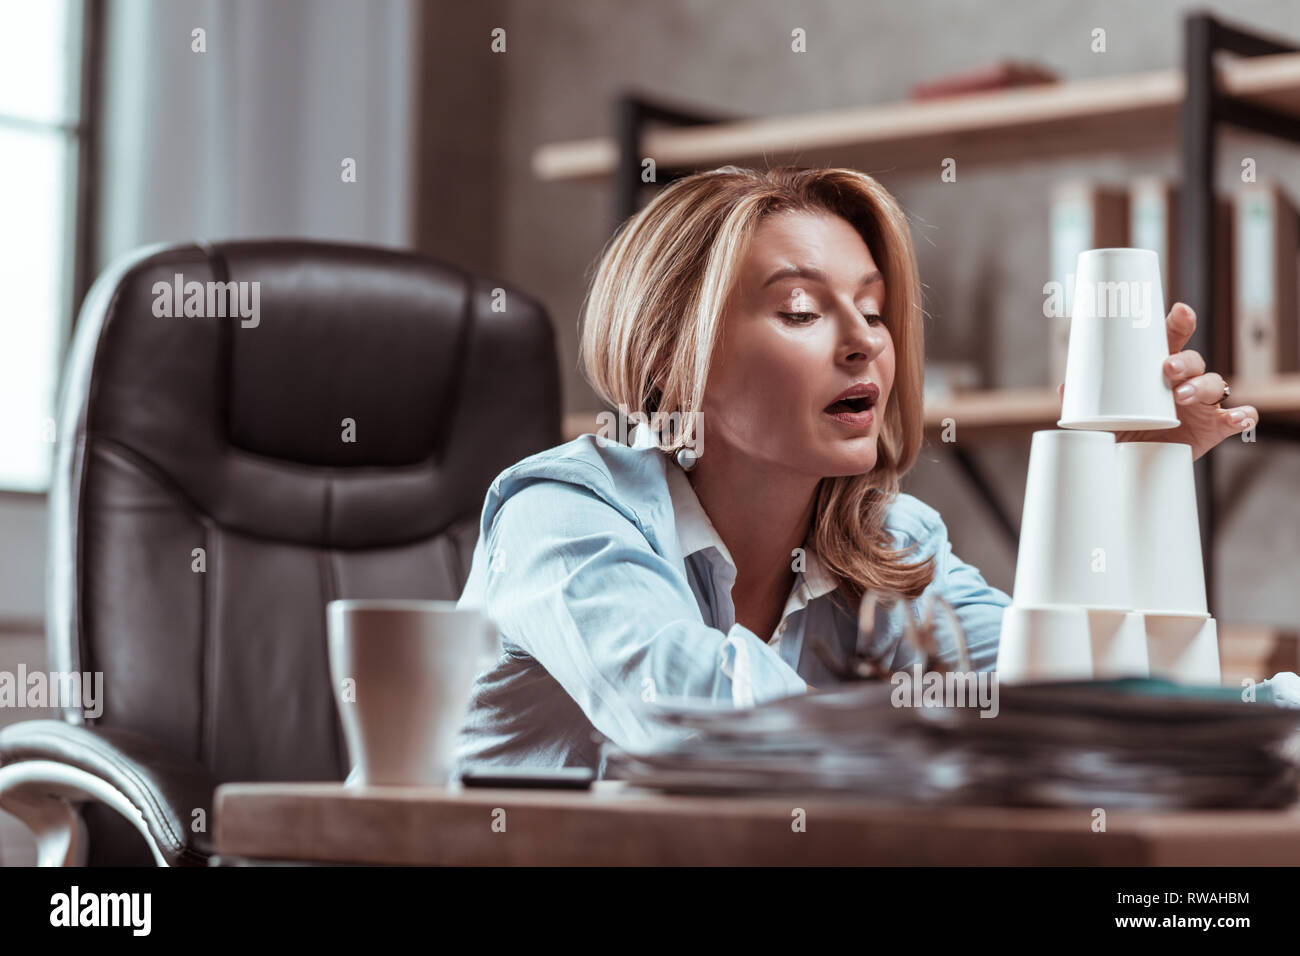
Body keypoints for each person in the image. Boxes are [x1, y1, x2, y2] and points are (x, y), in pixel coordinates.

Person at [450, 165, 1256, 777]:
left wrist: (1120, 475)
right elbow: (698, 724)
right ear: (672, 358)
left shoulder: (892, 542)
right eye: (801, 311)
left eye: (874, 311)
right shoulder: (562, 514)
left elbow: (1065, 699)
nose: (864, 340)